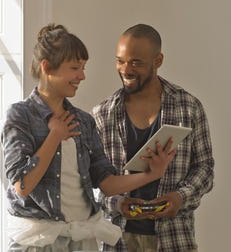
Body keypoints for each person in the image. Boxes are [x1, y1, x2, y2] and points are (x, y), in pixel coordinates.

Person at [1, 24, 176, 252]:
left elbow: (106, 183)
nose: (82, 76)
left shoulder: (84, 121)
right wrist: (54, 136)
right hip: (37, 242)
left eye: (83, 68)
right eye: (75, 68)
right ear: (47, 68)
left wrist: (151, 174)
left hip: (82, 242)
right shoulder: (20, 116)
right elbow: (22, 185)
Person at [92, 24, 214, 252]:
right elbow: (91, 183)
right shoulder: (102, 114)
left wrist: (180, 197)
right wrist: (118, 203)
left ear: (158, 61)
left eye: (136, 62)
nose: (125, 69)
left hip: (175, 238)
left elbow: (205, 168)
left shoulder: (188, 107)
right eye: (120, 61)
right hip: (117, 240)